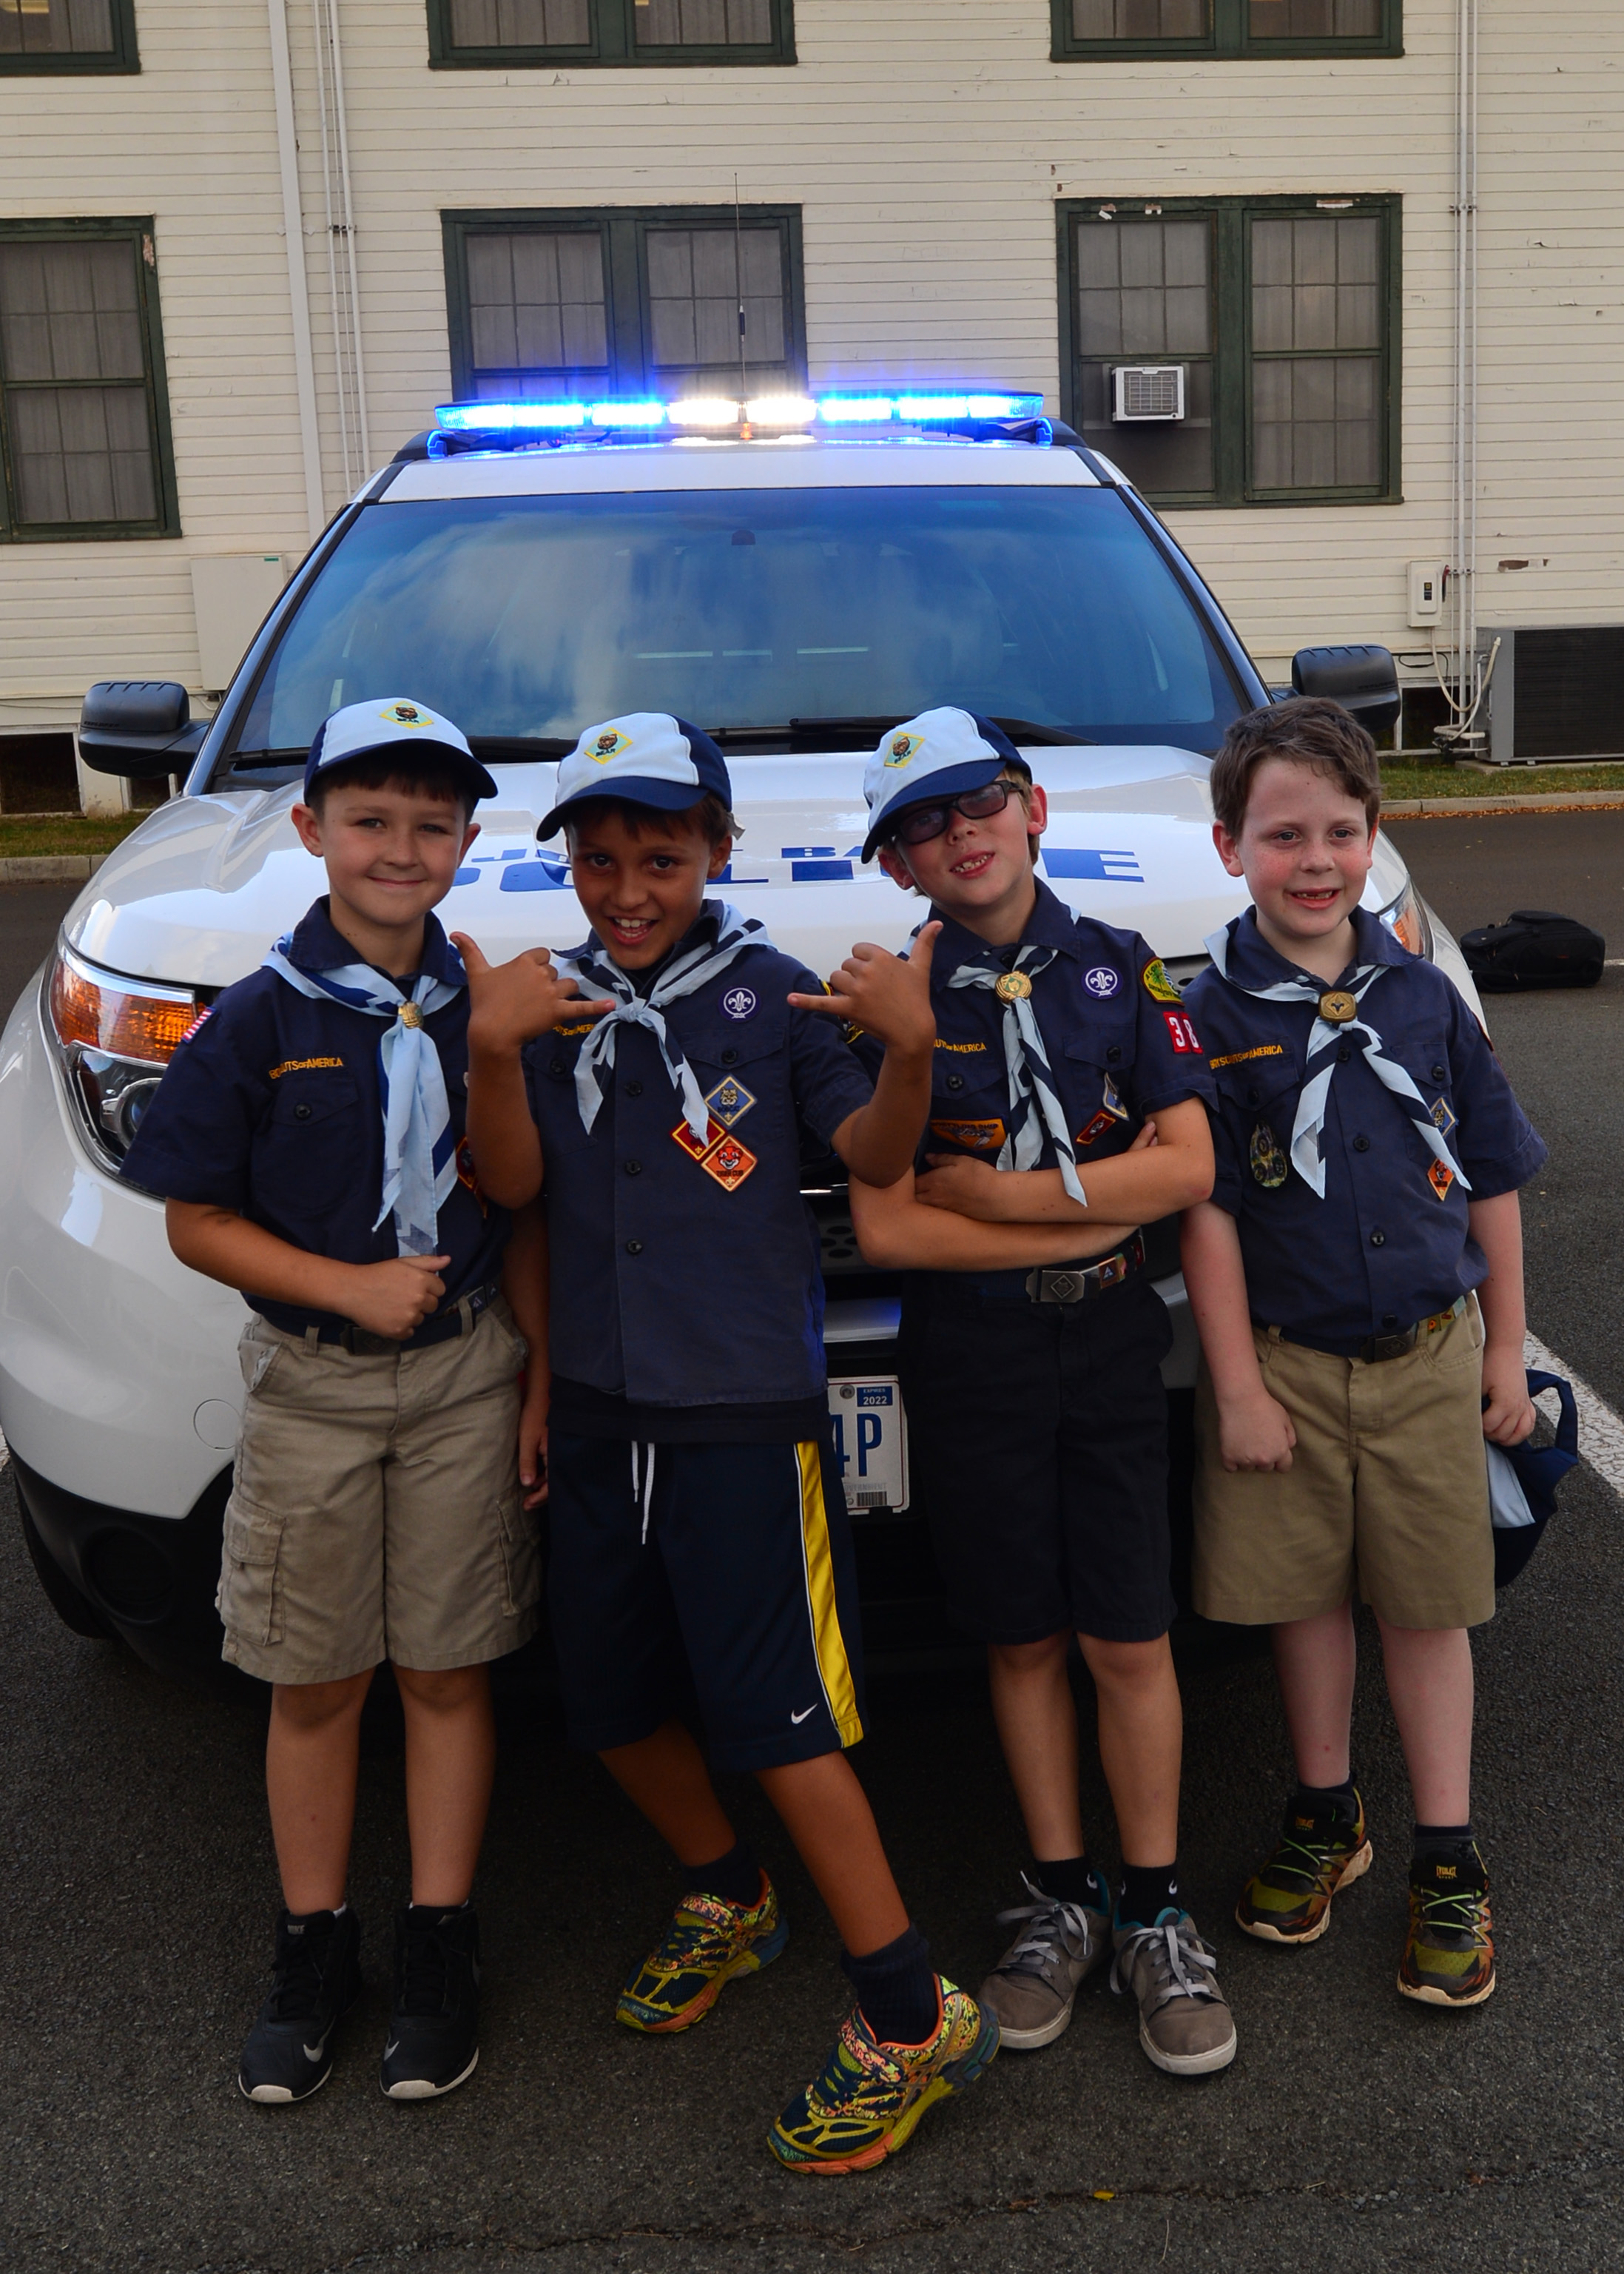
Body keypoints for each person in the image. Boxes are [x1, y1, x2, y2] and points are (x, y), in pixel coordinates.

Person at [457, 711, 1084, 2173]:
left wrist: (914, 1051)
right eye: (600, 859)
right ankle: (727, 1890)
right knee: (606, 1701)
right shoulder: (544, 1009)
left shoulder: (770, 995)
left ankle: (903, 2007)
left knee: (784, 1725)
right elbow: (517, 1191)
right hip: (605, 1416)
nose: (627, 888)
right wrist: (494, 1059)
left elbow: (866, 1152)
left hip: (743, 1420)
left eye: (661, 856)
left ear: (718, 852)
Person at [120, 698, 539, 2104]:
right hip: (314, 1385)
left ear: (469, 840)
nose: (401, 848)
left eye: (433, 823)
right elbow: (194, 1216)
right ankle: (313, 1943)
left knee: (445, 1664)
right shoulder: (258, 1018)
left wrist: (491, 1050)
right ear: (311, 832)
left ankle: (438, 1936)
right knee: (315, 1675)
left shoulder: (488, 1006)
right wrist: (344, 1286)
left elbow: (519, 1187)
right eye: (370, 820)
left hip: (469, 1377)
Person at [846, 708, 1237, 2078]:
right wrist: (1092, 1213)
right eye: (920, 827)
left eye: (975, 806)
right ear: (899, 867)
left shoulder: (1122, 973)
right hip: (975, 1354)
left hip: (1111, 1344)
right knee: (1018, 1638)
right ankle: (1063, 1895)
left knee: (1130, 1636)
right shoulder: (892, 1002)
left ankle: (1156, 1905)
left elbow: (1185, 1168)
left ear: (1033, 808)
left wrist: (1022, 1204)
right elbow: (889, 1229)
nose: (956, 836)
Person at [1179, 696, 1545, 2007]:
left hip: (1430, 1356)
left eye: (1341, 829)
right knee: (1304, 1600)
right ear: (1231, 846)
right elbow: (1208, 1213)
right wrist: (1233, 1386)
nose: (1315, 858)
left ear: (1375, 839)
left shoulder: (1426, 998)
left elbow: (1490, 1178)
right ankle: (1328, 1810)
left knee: (1430, 1605)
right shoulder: (1204, 1017)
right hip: (1284, 1365)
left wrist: (1508, 1353)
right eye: (1283, 835)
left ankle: (1448, 1856)